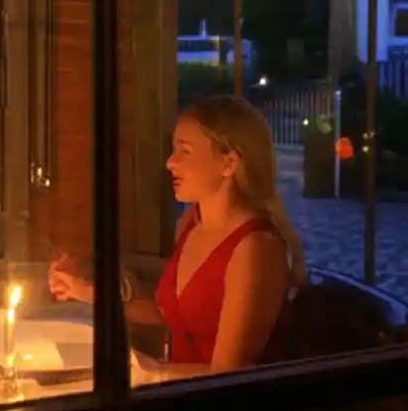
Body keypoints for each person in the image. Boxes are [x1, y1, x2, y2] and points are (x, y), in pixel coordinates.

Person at [49, 95, 306, 372]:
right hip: (180, 394)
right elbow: (168, 314)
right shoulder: (190, 225)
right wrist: (87, 292)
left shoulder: (255, 249)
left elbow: (227, 374)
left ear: (228, 163)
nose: (170, 162)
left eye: (184, 151)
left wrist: (145, 371)